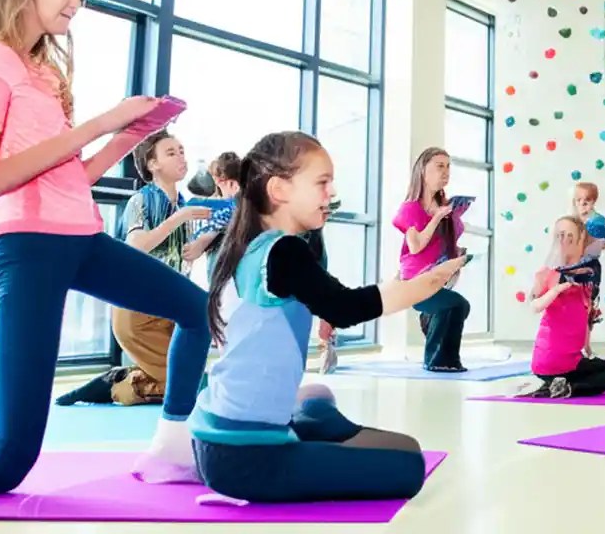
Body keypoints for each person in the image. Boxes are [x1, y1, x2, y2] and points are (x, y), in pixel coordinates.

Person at [0, 0, 209, 492]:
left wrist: (129, 135)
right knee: (5, 465)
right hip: (30, 247)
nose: (78, 3)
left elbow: (73, 176)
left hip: (83, 238)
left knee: (197, 311)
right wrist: (101, 123)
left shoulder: (41, 73)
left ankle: (172, 443)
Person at [190, 131, 465, 502]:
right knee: (409, 460)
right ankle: (319, 443)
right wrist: (430, 281)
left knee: (318, 395)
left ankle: (319, 439)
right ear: (279, 189)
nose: (330, 193)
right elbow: (345, 307)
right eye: (322, 183)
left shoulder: (244, 247)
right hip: (248, 458)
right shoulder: (284, 252)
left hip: (209, 434)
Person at [55, 130, 209, 407]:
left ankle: (120, 381)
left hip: (169, 311)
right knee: (197, 386)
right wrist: (178, 219)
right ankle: (118, 386)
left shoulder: (183, 205)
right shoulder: (141, 200)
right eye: (171, 153)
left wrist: (197, 247)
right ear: (153, 165)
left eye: (182, 151)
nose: (181, 157)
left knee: (197, 383)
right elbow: (136, 247)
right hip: (139, 312)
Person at [393, 147, 473, 372]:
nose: (446, 172)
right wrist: (437, 217)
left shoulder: (445, 208)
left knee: (460, 307)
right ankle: (438, 360)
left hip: (436, 277)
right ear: (423, 171)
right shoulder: (410, 208)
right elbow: (416, 245)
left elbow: (444, 243)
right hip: (415, 280)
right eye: (439, 166)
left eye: (448, 167)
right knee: (457, 304)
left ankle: (432, 322)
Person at [524, 216, 605, 398]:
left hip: (572, 359)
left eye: (570, 236)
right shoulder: (548, 273)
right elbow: (534, 306)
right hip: (550, 360)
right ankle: (567, 387)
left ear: (580, 240)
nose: (565, 241)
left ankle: (556, 384)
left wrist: (588, 349)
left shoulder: (585, 278)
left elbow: (585, 317)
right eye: (560, 235)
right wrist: (556, 290)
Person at [572, 182, 605, 351]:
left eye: (586, 200)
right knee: (572, 306)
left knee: (588, 306)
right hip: (572, 266)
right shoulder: (573, 221)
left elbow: (596, 246)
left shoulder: (598, 221)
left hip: (589, 267)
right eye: (578, 200)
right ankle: (575, 344)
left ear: (593, 201)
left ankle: (585, 345)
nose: (581, 204)